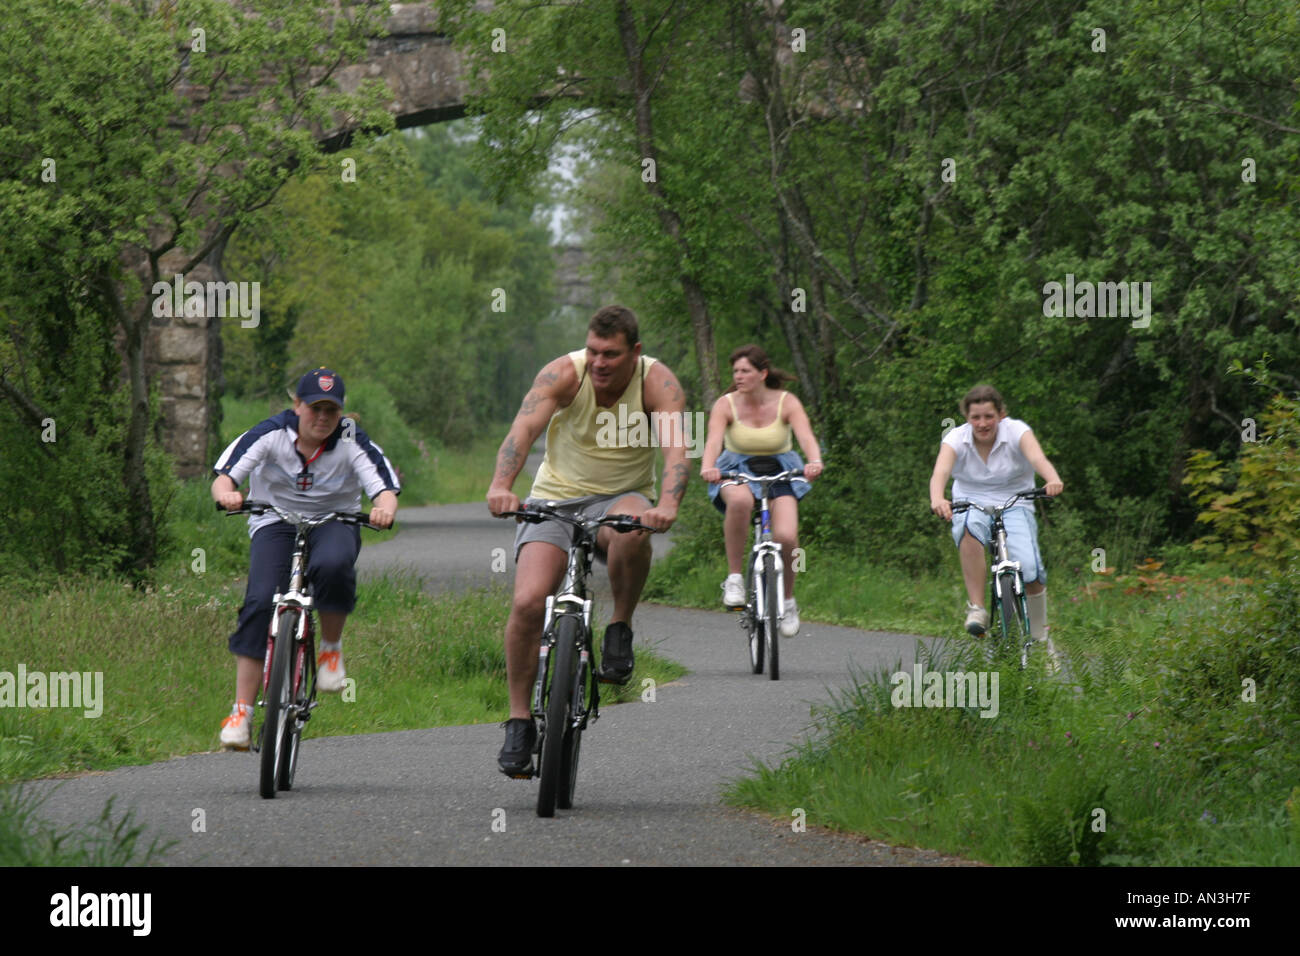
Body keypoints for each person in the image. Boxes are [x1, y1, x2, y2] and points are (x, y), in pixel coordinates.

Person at [486, 305, 688, 776]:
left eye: (612, 354)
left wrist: (670, 504)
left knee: (633, 530)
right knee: (529, 601)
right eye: (594, 351)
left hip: (622, 498)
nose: (599, 362)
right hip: (555, 500)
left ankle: (620, 625)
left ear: (634, 352)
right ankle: (518, 720)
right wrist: (501, 485)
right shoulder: (563, 373)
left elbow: (677, 447)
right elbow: (524, 429)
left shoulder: (658, 382)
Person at [211, 368, 399, 750]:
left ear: (341, 412)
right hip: (274, 520)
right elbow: (224, 476)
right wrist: (227, 493)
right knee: (260, 601)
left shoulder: (350, 438)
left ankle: (330, 650)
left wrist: (383, 507)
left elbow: (383, 486)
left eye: (331, 409)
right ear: (297, 405)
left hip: (334, 521)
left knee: (332, 566)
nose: (323, 417)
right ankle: (241, 712)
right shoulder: (270, 433)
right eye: (315, 407)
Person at [699, 345, 823, 638]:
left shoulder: (786, 402)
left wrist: (814, 461)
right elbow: (713, 442)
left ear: (762, 374)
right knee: (740, 500)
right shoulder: (725, 404)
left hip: (780, 469)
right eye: (735, 371)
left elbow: (806, 437)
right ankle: (734, 579)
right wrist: (708, 467)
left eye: (745, 371)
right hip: (736, 469)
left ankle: (788, 601)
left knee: (786, 536)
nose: (738, 377)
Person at [928, 384, 1063, 645]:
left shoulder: (1017, 431)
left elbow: (1037, 459)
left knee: (1032, 571)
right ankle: (977, 608)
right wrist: (938, 498)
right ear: (967, 419)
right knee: (968, 529)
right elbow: (940, 473)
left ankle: (1041, 638)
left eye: (988, 416)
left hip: (1016, 501)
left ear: (1001, 414)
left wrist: (1052, 479)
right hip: (971, 501)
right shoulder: (956, 438)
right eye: (975, 417)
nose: (982, 423)